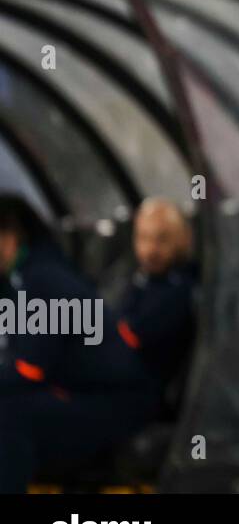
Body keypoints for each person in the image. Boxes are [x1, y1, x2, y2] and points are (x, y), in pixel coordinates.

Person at [0, 195, 159, 493]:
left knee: (8, 416)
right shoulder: (18, 281)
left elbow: (28, 371)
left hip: (114, 403)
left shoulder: (43, 281)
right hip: (80, 394)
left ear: (10, 238)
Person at [115, 199, 197, 389]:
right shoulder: (142, 278)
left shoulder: (179, 290)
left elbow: (130, 338)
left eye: (162, 239)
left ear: (184, 239)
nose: (150, 250)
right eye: (143, 238)